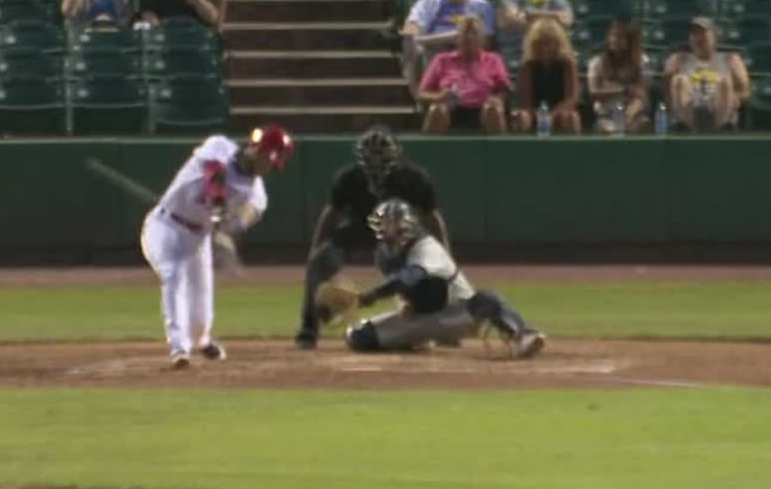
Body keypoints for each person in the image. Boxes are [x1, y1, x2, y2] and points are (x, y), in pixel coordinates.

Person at [141, 126, 293, 367]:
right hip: (165, 227)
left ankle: (201, 340)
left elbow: (246, 216)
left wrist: (230, 227)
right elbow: (215, 173)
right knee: (174, 276)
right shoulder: (219, 145)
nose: (270, 166)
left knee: (201, 306)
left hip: (198, 238)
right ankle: (179, 349)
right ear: (257, 149)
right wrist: (220, 205)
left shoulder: (256, 193)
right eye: (269, 158)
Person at [295, 126, 448, 349]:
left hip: (401, 235)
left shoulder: (413, 178)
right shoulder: (349, 178)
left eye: (381, 156)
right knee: (318, 263)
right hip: (360, 228)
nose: (376, 162)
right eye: (371, 156)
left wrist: (442, 255)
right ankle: (309, 328)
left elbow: (432, 218)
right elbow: (331, 215)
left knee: (423, 273)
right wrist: (316, 251)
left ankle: (433, 325)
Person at [342, 199, 545, 357]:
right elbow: (402, 288)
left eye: (395, 222)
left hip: (458, 314)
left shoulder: (427, 246)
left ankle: (523, 336)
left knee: (486, 298)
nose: (391, 228)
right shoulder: (384, 256)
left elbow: (410, 277)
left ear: (408, 223)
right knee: (358, 336)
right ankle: (411, 341)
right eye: (386, 223)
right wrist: (402, 302)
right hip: (420, 320)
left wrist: (372, 295)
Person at [399, 0, 494, 92]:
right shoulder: (427, 4)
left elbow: (486, 40)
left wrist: (457, 39)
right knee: (412, 47)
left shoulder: (482, 6)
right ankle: (422, 97)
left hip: (468, 50)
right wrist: (447, 38)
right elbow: (411, 30)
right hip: (433, 51)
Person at [418, 14, 510, 133]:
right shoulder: (441, 60)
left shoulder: (493, 60)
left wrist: (497, 98)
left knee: (493, 110)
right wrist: (439, 96)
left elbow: (504, 89)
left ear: (482, 38)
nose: (470, 37)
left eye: (474, 32)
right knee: (437, 110)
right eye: (465, 32)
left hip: (483, 109)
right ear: (457, 37)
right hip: (451, 110)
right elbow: (422, 94)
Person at [663, 16, 750, 132]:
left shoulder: (730, 59)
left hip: (720, 108)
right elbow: (666, 89)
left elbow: (745, 91)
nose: (698, 38)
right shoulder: (679, 59)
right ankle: (687, 130)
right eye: (694, 34)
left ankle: (720, 131)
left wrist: (737, 98)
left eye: (703, 34)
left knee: (724, 81)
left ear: (715, 37)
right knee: (679, 80)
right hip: (689, 109)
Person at [512, 17, 580, 134]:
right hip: (534, 112)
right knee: (522, 117)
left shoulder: (567, 64)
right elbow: (525, 101)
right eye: (540, 43)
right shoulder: (527, 66)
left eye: (549, 43)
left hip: (560, 111)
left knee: (570, 117)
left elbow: (572, 98)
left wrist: (551, 115)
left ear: (558, 43)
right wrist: (539, 115)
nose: (545, 48)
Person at [586, 18, 651, 133]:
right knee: (609, 130)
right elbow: (594, 93)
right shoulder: (596, 62)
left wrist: (628, 115)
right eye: (613, 36)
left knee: (642, 124)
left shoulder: (642, 62)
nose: (615, 40)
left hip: (633, 113)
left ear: (630, 41)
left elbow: (641, 93)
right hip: (606, 115)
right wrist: (624, 90)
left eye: (620, 37)